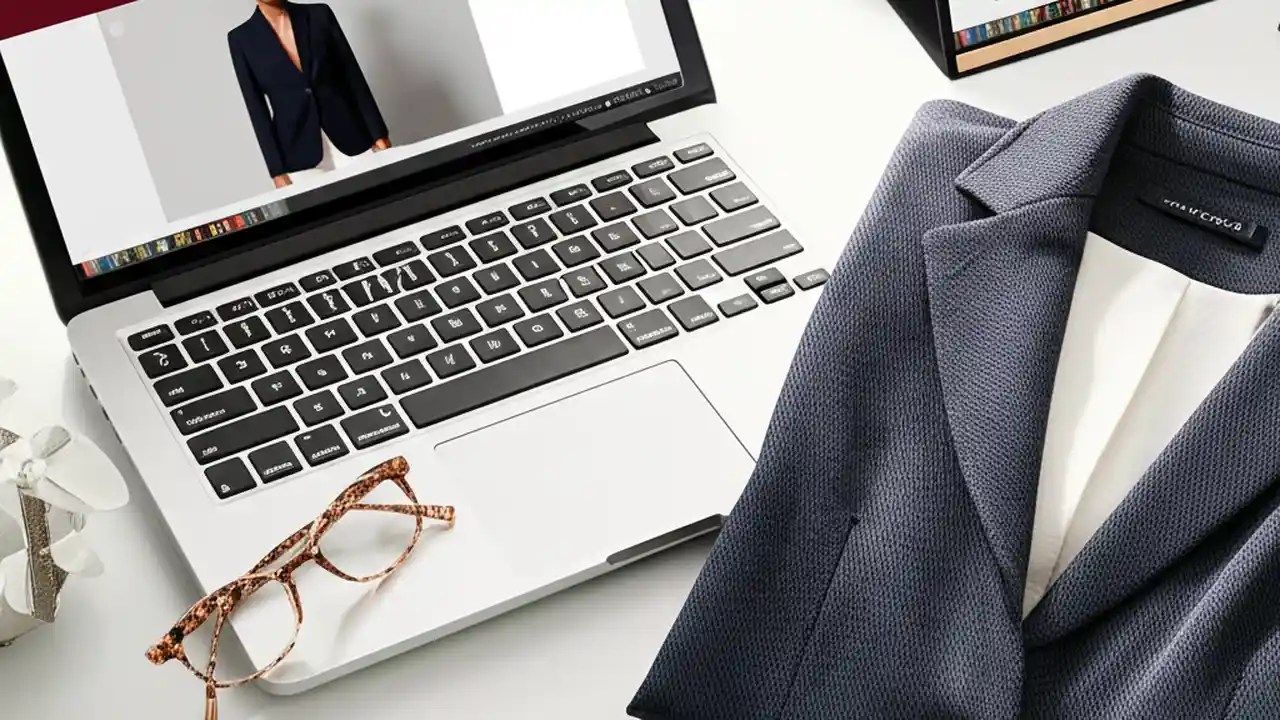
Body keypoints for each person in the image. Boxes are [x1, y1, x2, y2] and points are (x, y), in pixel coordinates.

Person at [228, 0, 391, 189]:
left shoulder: (318, 14)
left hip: (351, 133)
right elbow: (256, 108)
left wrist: (378, 133)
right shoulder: (241, 39)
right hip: (297, 150)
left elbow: (351, 75)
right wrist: (277, 171)